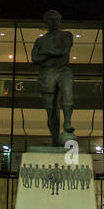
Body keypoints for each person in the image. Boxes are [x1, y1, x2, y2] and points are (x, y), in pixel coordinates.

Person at [31, 9, 75, 145]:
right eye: (51, 19)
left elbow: (63, 50)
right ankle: (55, 139)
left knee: (68, 95)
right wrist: (52, 53)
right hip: (47, 72)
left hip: (63, 70)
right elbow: (34, 58)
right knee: (50, 109)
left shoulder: (67, 35)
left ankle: (67, 122)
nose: (55, 22)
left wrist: (46, 52)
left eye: (57, 19)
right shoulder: (40, 40)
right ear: (46, 22)